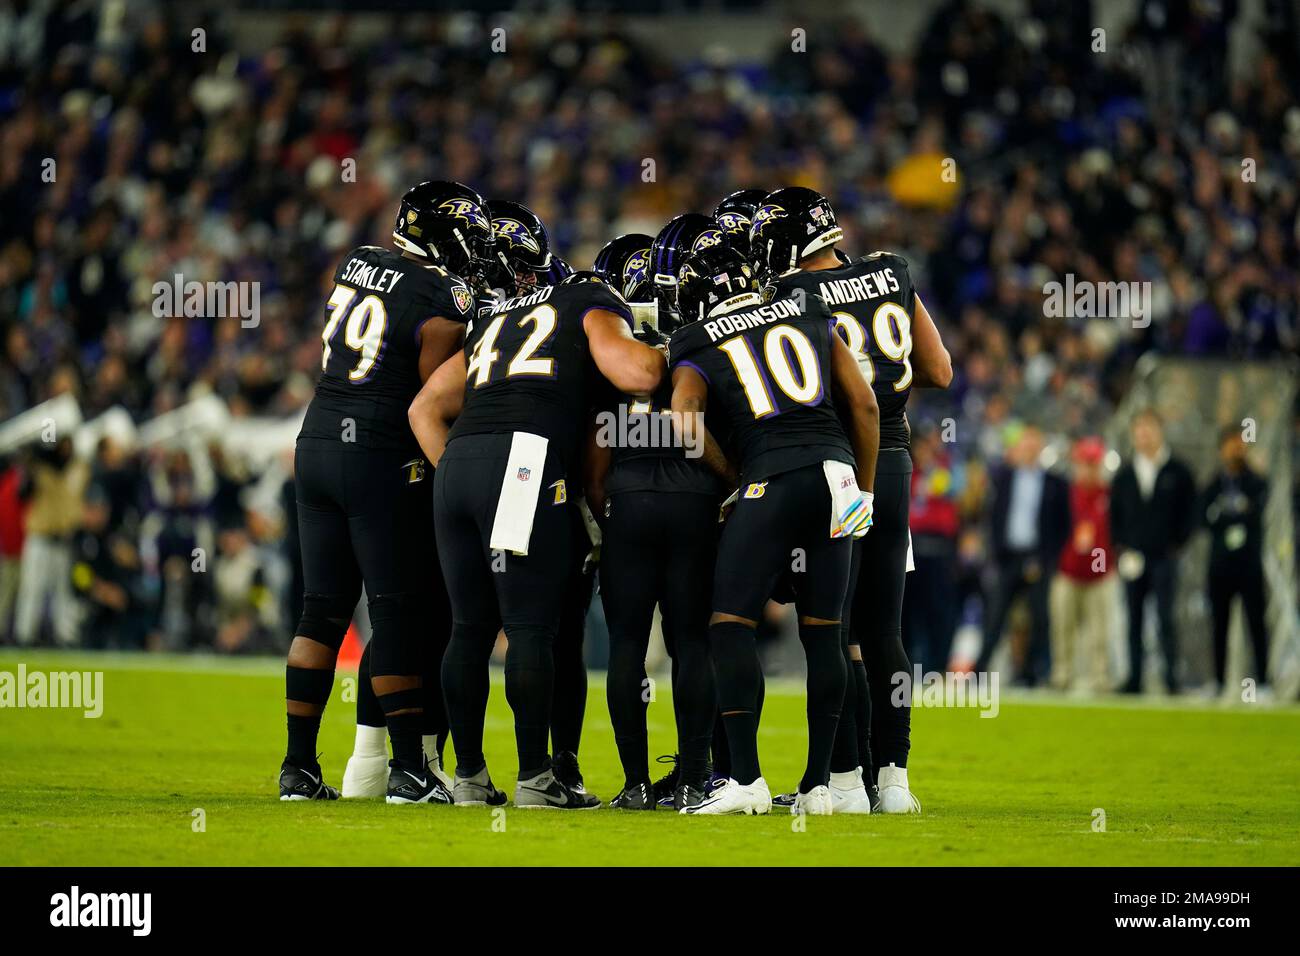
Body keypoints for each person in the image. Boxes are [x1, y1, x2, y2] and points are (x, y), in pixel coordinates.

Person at [409, 269, 664, 809]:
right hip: (523, 459)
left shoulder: (492, 319)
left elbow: (424, 407)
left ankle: (469, 778)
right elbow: (638, 373)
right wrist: (664, 350)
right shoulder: (587, 299)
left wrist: (463, 470)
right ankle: (534, 777)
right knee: (530, 627)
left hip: (457, 461)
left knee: (469, 628)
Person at [278, 180, 481, 803]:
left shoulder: (358, 262)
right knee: (395, 609)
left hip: (315, 439)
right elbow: (432, 391)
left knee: (322, 609)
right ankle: (409, 769)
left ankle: (297, 767)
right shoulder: (440, 295)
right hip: (377, 450)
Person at [668, 241, 880, 816]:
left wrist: (734, 474)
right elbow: (863, 405)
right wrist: (863, 489)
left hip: (771, 476)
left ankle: (746, 779)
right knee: (826, 631)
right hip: (838, 476)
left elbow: (683, 420)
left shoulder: (696, 339)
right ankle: (823, 785)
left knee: (730, 624)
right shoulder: (806, 309)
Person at [764, 186, 952, 814]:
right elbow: (941, 370)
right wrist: (883, 381)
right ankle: (894, 781)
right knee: (883, 629)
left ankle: (843, 781)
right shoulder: (891, 272)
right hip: (896, 459)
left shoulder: (792, 295)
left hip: (839, 464)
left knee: (831, 628)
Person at [587, 235, 733, 811]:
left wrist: (606, 512)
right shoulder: (709, 335)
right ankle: (696, 776)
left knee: (626, 643)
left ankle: (634, 783)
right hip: (696, 500)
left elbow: (597, 452)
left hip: (628, 498)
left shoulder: (616, 347)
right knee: (692, 643)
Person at [976, 424, 1071, 686]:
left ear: (1040, 447)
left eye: (1033, 443)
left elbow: (1064, 525)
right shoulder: (1003, 478)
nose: (1029, 449)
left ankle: (1029, 672)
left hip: (1038, 559)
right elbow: (992, 516)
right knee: (995, 616)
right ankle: (979, 670)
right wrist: (995, 551)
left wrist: (1048, 558)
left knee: (1039, 617)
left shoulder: (1056, 483)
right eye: (1025, 443)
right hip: (1008, 557)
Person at [1111, 409, 1196, 694]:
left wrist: (1176, 545)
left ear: (1160, 431)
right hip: (1133, 557)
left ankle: (1171, 679)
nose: (1143, 435)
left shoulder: (1179, 471)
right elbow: (1114, 516)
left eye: (1148, 429)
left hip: (1163, 557)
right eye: (1139, 429)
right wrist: (1121, 547)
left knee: (1165, 617)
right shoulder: (1124, 475)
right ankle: (1134, 678)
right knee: (1133, 619)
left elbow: (1190, 514)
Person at [1200, 426, 1270, 695]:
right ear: (1221, 449)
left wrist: (1226, 514)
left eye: (1239, 443)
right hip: (1220, 565)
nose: (1235, 449)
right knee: (1219, 624)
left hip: (1249, 564)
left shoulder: (1256, 482)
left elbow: (1254, 515)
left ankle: (1262, 682)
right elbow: (1206, 519)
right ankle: (1218, 682)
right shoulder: (1213, 483)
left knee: (1256, 623)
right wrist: (1234, 513)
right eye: (1230, 444)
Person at [1050, 437, 1117, 693]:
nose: (1088, 469)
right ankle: (1062, 675)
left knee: (1099, 632)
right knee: (1063, 627)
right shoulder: (1065, 494)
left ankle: (1099, 678)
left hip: (1100, 573)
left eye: (1093, 464)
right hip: (1068, 570)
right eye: (1084, 463)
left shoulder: (1109, 495)